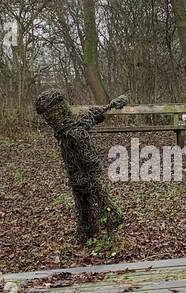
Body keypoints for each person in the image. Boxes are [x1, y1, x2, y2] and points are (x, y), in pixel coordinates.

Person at [34, 89, 127, 243]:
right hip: (76, 176)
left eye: (50, 113)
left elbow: (91, 159)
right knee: (83, 206)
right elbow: (93, 114)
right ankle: (87, 231)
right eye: (46, 115)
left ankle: (112, 221)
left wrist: (89, 174)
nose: (48, 119)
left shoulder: (76, 133)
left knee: (99, 199)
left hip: (86, 177)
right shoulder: (66, 132)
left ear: (59, 109)